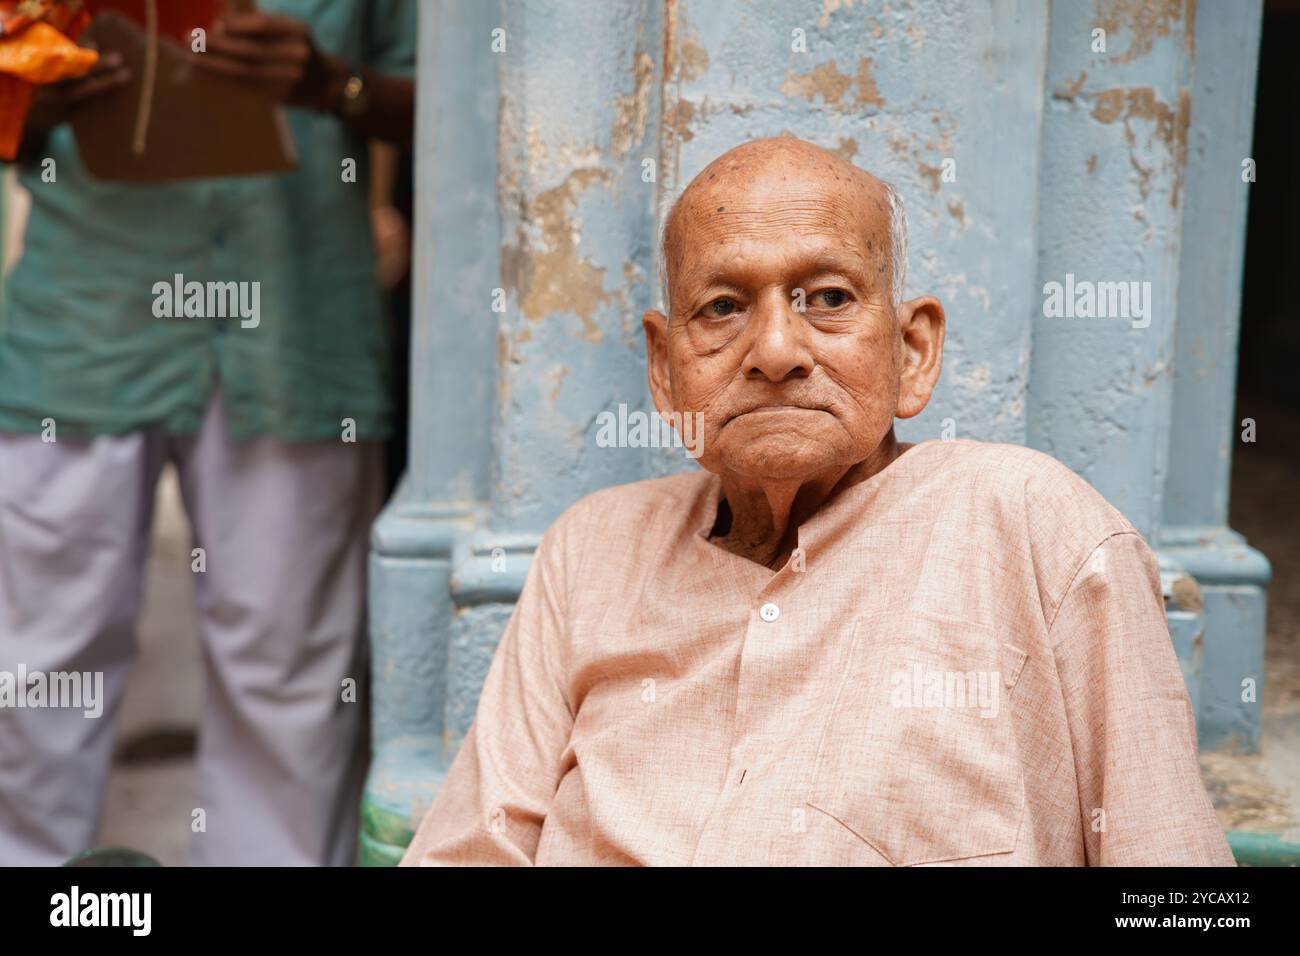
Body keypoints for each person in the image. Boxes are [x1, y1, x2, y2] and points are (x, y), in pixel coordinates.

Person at [400, 136, 1234, 867]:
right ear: (664, 367)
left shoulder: (1035, 529)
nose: (773, 350)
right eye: (723, 307)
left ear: (913, 351)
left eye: (828, 298)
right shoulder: (591, 550)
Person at [0, 2, 415, 865]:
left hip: (299, 332)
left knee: (290, 682)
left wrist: (330, 85)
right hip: (82, 326)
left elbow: (465, 111)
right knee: (36, 673)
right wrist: (30, 99)